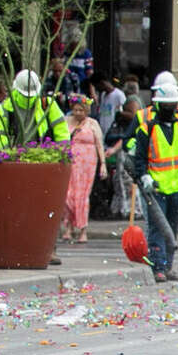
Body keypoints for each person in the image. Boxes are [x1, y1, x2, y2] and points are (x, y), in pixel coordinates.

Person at [130, 78, 178, 283]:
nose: (170, 108)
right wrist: (144, 176)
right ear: (159, 105)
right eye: (166, 104)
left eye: (173, 104)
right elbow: (140, 156)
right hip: (157, 186)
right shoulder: (147, 128)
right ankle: (158, 267)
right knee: (158, 228)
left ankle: (168, 266)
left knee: (172, 227)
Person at [60, 94, 105, 243]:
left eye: (81, 110)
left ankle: (82, 230)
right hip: (70, 161)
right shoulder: (66, 121)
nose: (78, 113)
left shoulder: (93, 124)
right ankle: (68, 227)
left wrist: (103, 164)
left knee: (82, 196)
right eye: (75, 110)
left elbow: (99, 144)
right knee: (68, 195)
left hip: (88, 163)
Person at [0, 70, 67, 147]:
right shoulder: (48, 103)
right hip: (44, 156)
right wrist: (61, 152)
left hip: (21, 156)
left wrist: (8, 156)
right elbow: (62, 132)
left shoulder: (4, 108)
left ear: (15, 86)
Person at [105, 97, 139, 217]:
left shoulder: (139, 121)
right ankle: (121, 208)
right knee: (120, 182)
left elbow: (126, 138)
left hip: (131, 155)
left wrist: (114, 149)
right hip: (124, 154)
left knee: (128, 183)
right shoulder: (124, 123)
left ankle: (133, 210)